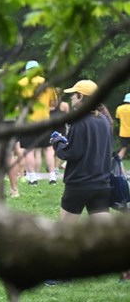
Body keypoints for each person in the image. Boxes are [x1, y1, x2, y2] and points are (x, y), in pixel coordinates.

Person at [53, 79, 115, 217]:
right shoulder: (104, 120)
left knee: (65, 233)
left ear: (81, 96)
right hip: (102, 184)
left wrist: (57, 143)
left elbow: (71, 152)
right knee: (105, 234)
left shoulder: (80, 121)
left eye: (74, 94)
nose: (71, 97)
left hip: (79, 185)